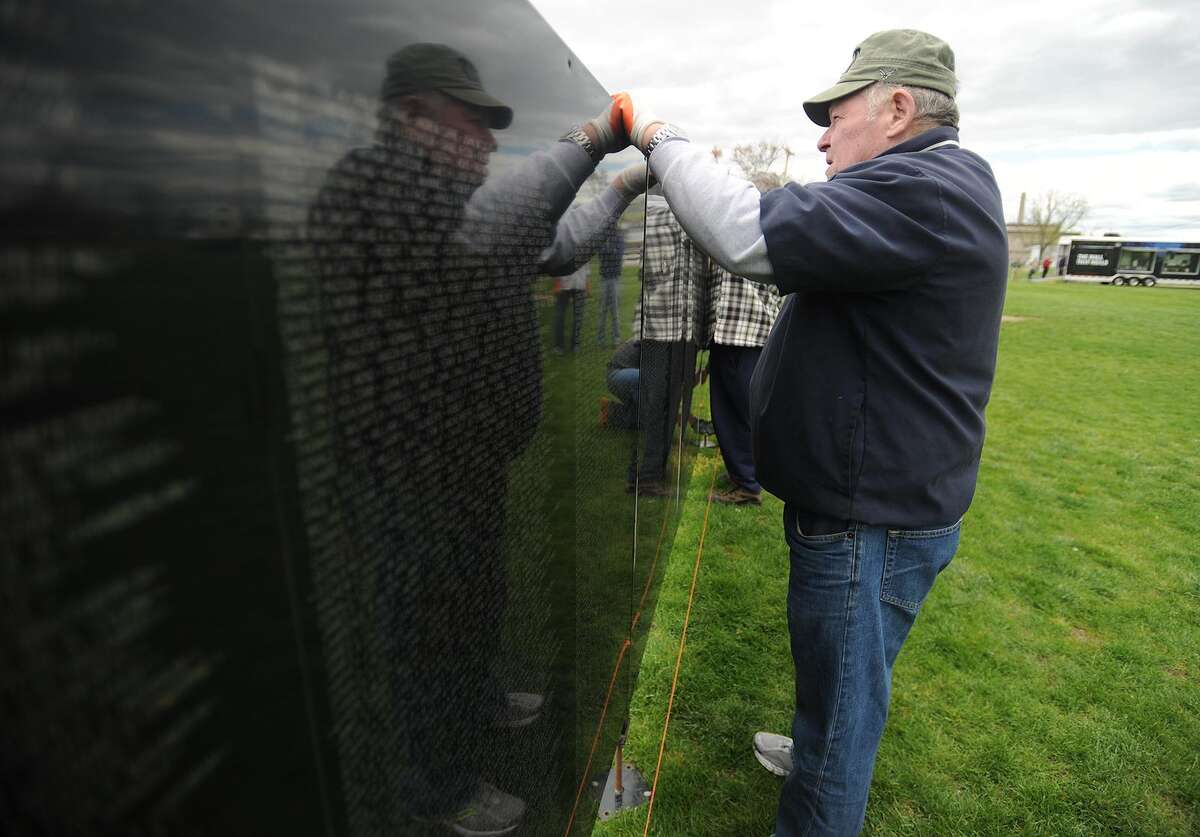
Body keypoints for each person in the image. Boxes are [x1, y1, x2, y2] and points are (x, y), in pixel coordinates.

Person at [606, 29, 1008, 836]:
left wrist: (660, 138)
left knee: (847, 697)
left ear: (898, 107)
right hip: (875, 501)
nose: (822, 135)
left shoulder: (922, 188)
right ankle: (824, 742)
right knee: (845, 679)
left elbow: (747, 234)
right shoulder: (925, 182)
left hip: (871, 517)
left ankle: (825, 774)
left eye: (836, 113)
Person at [306, 43, 648, 836]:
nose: (491, 141)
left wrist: (623, 186)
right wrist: (590, 140)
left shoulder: (449, 197)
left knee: (472, 602)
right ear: (411, 118)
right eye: (474, 121)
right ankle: (440, 786)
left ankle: (479, 697)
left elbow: (558, 246)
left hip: (465, 462)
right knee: (426, 630)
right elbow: (499, 224)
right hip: (408, 472)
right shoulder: (372, 186)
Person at [706, 265, 781, 506]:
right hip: (740, 329)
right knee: (734, 410)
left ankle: (747, 484)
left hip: (741, 329)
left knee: (734, 413)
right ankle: (743, 474)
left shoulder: (747, 229)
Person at [597, 222, 626, 345]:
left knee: (614, 310)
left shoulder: (619, 238)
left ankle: (616, 338)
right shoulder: (603, 237)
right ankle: (600, 338)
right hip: (604, 278)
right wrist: (610, 251)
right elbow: (600, 254)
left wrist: (608, 252)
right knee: (602, 310)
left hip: (614, 278)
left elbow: (618, 255)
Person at [553, 261, 588, 352]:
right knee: (560, 316)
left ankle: (574, 345)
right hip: (565, 284)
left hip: (579, 284)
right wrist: (557, 283)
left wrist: (587, 284)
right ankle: (559, 346)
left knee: (578, 317)